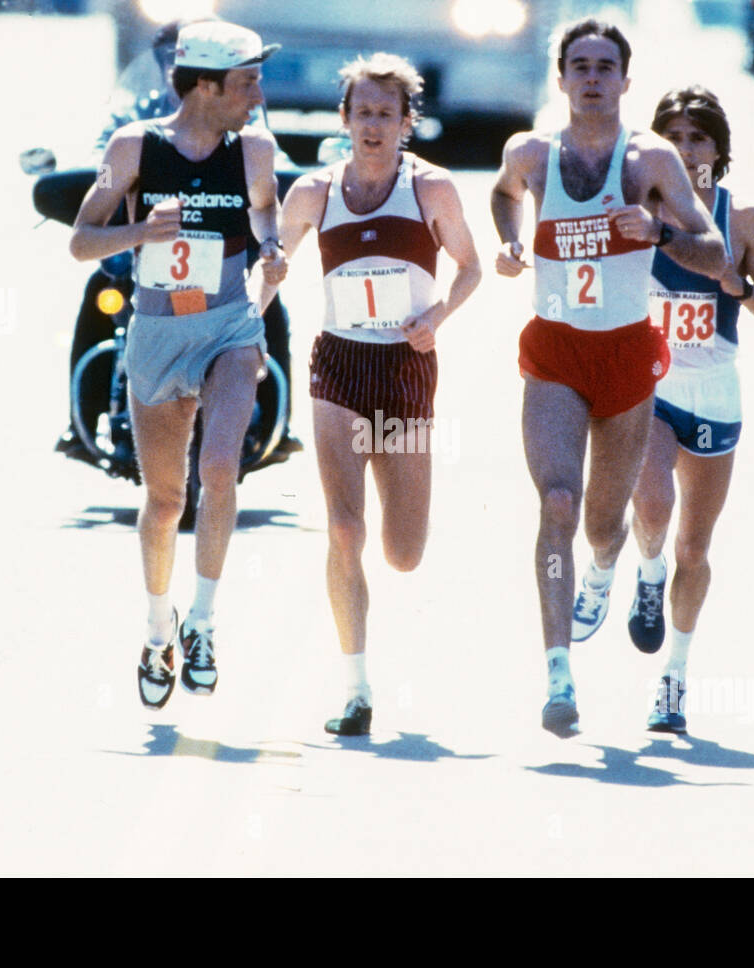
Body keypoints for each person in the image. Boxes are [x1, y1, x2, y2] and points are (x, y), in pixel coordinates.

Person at [491, 19, 727, 737]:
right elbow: (504, 193)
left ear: (626, 81)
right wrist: (507, 239)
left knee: (601, 523)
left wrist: (657, 234)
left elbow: (714, 254)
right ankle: (558, 669)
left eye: (606, 67)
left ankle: (601, 571)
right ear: (560, 78)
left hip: (626, 355)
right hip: (556, 352)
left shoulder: (651, 159)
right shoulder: (530, 152)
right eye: (580, 66)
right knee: (557, 501)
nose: (592, 78)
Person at [69, 20, 288, 709]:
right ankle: (158, 625)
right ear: (204, 85)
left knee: (220, 467)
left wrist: (273, 252)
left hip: (228, 324)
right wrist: (142, 231)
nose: (258, 94)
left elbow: (267, 219)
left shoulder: (256, 150)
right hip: (159, 330)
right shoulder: (133, 147)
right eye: (247, 82)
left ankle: (203, 622)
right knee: (164, 501)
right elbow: (80, 240)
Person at [260, 53, 481, 735]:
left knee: (402, 551)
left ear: (408, 122)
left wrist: (435, 317)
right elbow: (271, 263)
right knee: (343, 527)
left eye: (387, 114)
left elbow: (471, 268)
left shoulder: (433, 190)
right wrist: (253, 307)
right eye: (363, 113)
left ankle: (372, 637)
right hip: (339, 365)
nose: (374, 125)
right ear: (345, 120)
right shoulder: (315, 194)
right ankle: (355, 687)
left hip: (407, 370)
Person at [607, 86, 754, 732]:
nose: (686, 153)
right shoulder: (633, 211)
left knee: (696, 545)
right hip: (651, 386)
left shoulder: (742, 219)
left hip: (714, 390)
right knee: (652, 501)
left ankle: (673, 681)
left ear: (720, 150)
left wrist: (739, 287)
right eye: (674, 139)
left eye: (699, 139)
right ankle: (646, 575)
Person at [56, 19, 304, 466]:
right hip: (153, 305)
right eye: (169, 56)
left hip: (227, 294)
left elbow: (272, 179)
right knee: (100, 291)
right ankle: (80, 420)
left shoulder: (250, 135)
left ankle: (280, 424)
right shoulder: (132, 126)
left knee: (275, 307)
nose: (174, 66)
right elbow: (96, 184)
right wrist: (140, 227)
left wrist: (272, 239)